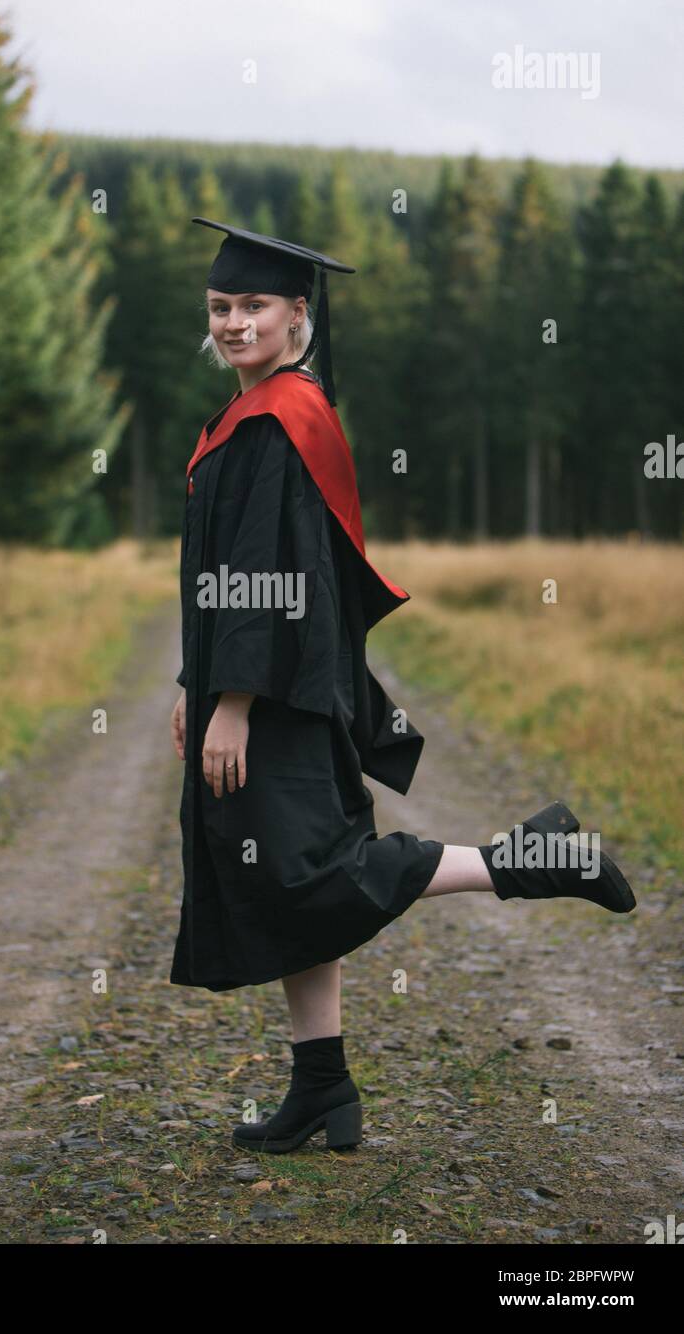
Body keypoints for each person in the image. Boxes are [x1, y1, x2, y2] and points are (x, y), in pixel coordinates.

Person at [168, 217, 637, 1155]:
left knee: (314, 876)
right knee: (297, 888)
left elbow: (273, 572)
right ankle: (323, 1091)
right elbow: (227, 570)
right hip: (278, 687)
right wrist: (195, 677)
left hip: (283, 700)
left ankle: (538, 859)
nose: (232, 322)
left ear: (298, 314)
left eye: (253, 305)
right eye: (221, 307)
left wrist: (233, 700)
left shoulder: (282, 421)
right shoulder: (250, 413)